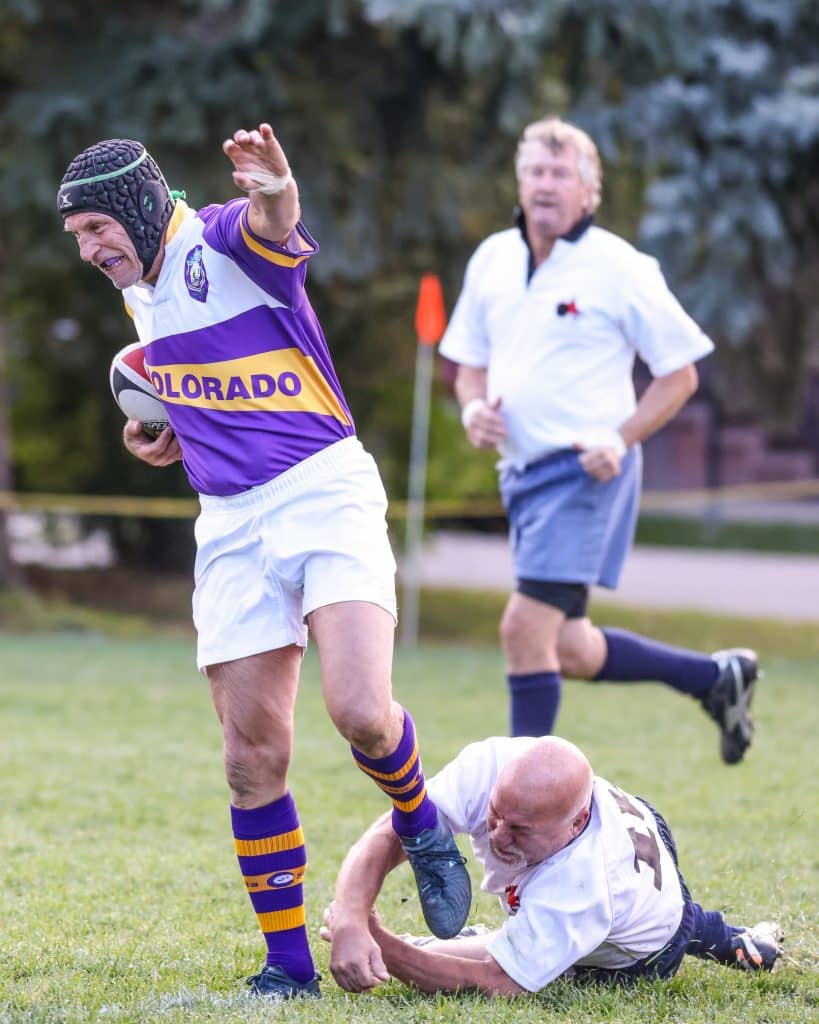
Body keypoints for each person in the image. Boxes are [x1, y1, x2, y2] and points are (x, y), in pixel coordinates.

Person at [57, 124, 471, 999]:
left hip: (323, 492)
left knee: (359, 710)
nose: (89, 250)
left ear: (136, 206)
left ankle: (422, 822)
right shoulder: (140, 294)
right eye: (77, 238)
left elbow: (273, 223)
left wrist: (276, 185)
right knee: (250, 758)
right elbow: (207, 382)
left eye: (96, 228)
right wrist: (167, 432)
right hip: (232, 524)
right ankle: (287, 971)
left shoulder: (216, 238)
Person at [438, 116, 757, 764]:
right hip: (520, 476)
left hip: (587, 473)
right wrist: (472, 409)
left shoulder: (620, 267)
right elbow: (467, 364)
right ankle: (714, 679)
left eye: (561, 174)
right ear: (519, 181)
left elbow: (679, 375)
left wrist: (620, 437)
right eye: (535, 171)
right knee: (569, 648)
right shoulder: (493, 259)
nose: (545, 184)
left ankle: (523, 805)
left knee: (522, 628)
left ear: (589, 190)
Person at [320, 734, 783, 995]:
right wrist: (352, 916)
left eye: (519, 829)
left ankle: (741, 943)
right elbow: (393, 830)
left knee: (669, 928)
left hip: (647, 947)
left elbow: (497, 984)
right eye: (495, 814)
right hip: (636, 834)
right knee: (522, 930)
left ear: (576, 822)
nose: (498, 835)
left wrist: (383, 943)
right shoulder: (494, 764)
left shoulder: (586, 883)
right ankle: (733, 937)